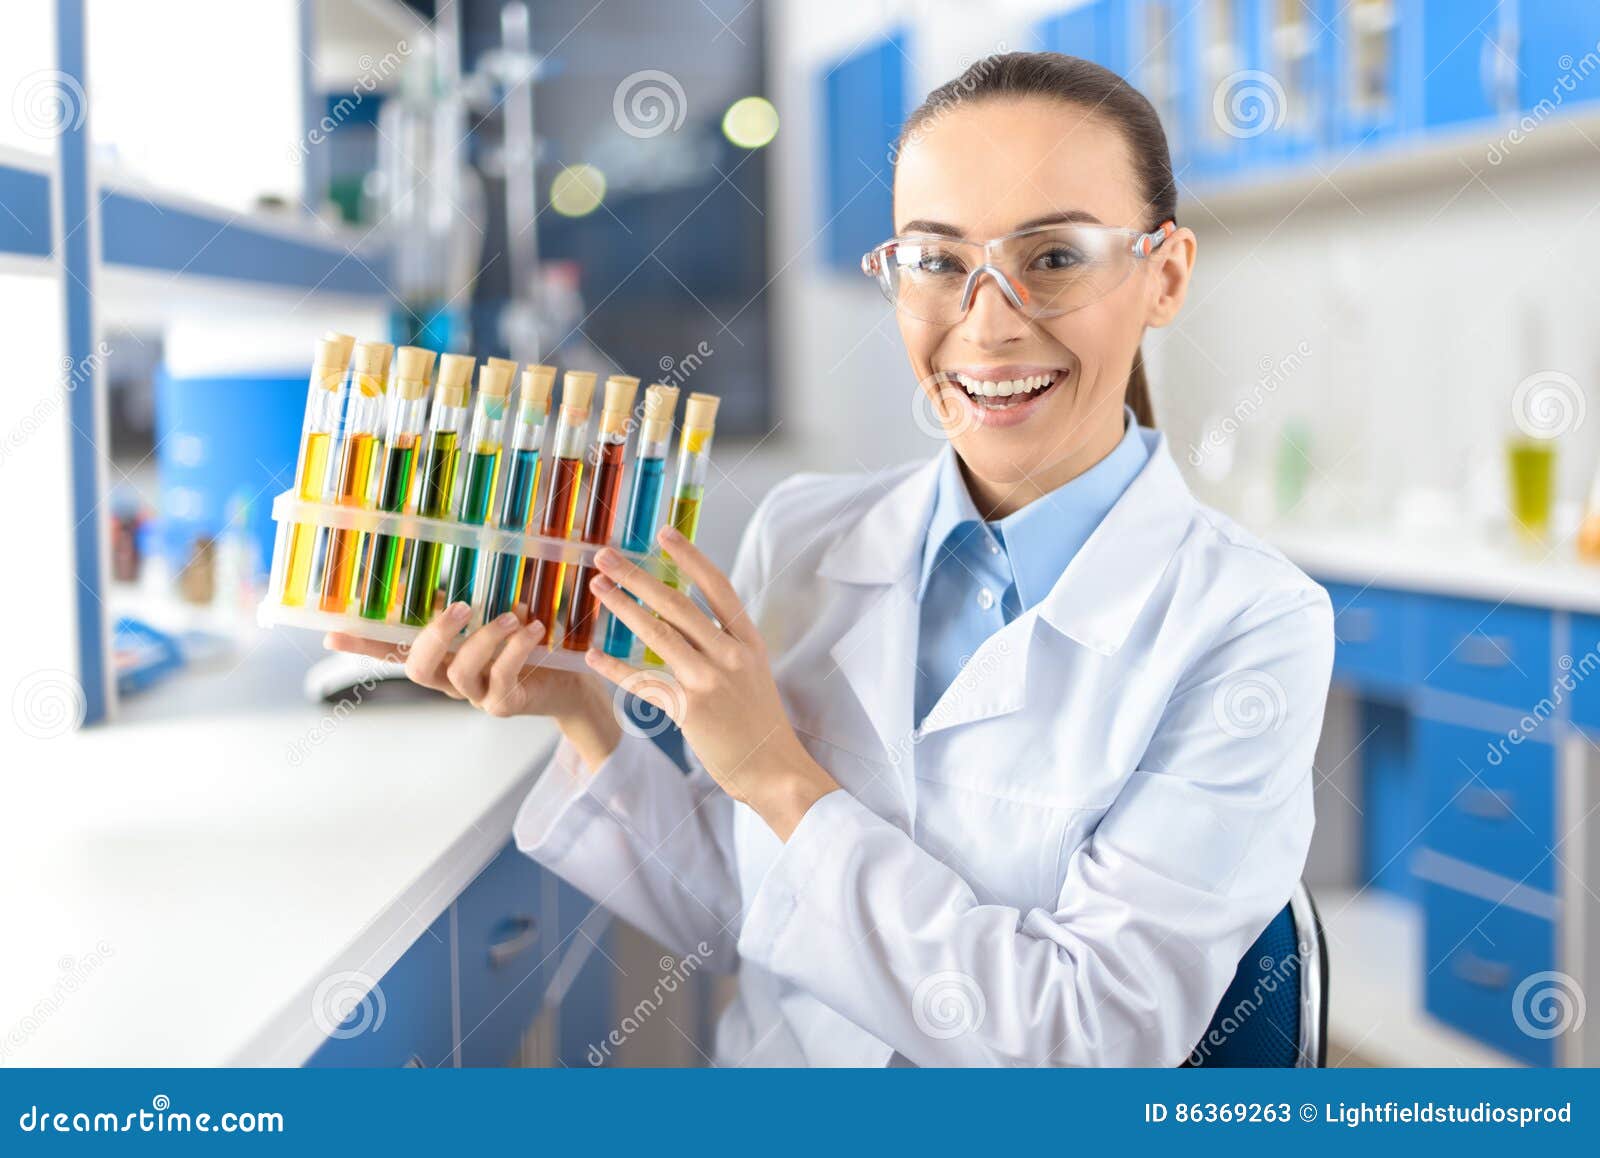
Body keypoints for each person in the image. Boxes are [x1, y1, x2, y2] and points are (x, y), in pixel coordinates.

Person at [329, 52, 1334, 1067]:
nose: (986, 325)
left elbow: (1091, 1038)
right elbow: (738, 915)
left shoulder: (1251, 621)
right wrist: (580, 714)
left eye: (1056, 258)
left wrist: (773, 768)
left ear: (1162, 275)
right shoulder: (804, 536)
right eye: (938, 263)